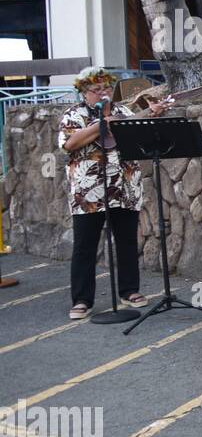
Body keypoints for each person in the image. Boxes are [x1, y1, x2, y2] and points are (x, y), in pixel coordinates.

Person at [58, 67, 168, 319]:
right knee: (85, 246)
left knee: (127, 241)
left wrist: (153, 116)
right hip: (89, 192)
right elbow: (70, 144)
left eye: (106, 88)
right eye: (95, 90)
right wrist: (100, 125)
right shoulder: (73, 115)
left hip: (124, 188)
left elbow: (142, 137)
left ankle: (129, 291)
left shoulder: (123, 112)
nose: (102, 93)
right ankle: (82, 300)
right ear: (84, 93)